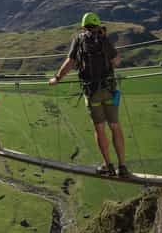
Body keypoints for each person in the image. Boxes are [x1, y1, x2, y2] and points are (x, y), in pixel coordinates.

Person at [49, 12, 128, 177]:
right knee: (115, 126)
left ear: (83, 26)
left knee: (99, 128)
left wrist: (57, 77)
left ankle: (108, 165)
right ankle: (122, 167)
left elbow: (70, 62)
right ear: (98, 25)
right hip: (109, 89)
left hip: (92, 92)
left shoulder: (79, 39)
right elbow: (117, 61)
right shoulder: (103, 39)